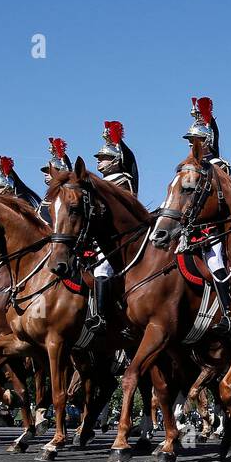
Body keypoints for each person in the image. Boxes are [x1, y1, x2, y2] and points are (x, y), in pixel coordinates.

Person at [183, 97, 231, 334]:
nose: (191, 145)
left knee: (215, 262)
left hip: (213, 228)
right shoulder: (189, 168)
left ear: (207, 141)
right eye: (190, 141)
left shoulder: (219, 166)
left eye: (195, 140)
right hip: (190, 227)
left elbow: (220, 201)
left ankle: (227, 313)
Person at [82, 121, 139, 331]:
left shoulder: (123, 180)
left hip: (115, 236)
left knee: (102, 268)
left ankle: (102, 316)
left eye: (104, 157)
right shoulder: (96, 183)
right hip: (96, 235)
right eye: (99, 158)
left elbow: (127, 204)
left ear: (116, 160)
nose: (100, 161)